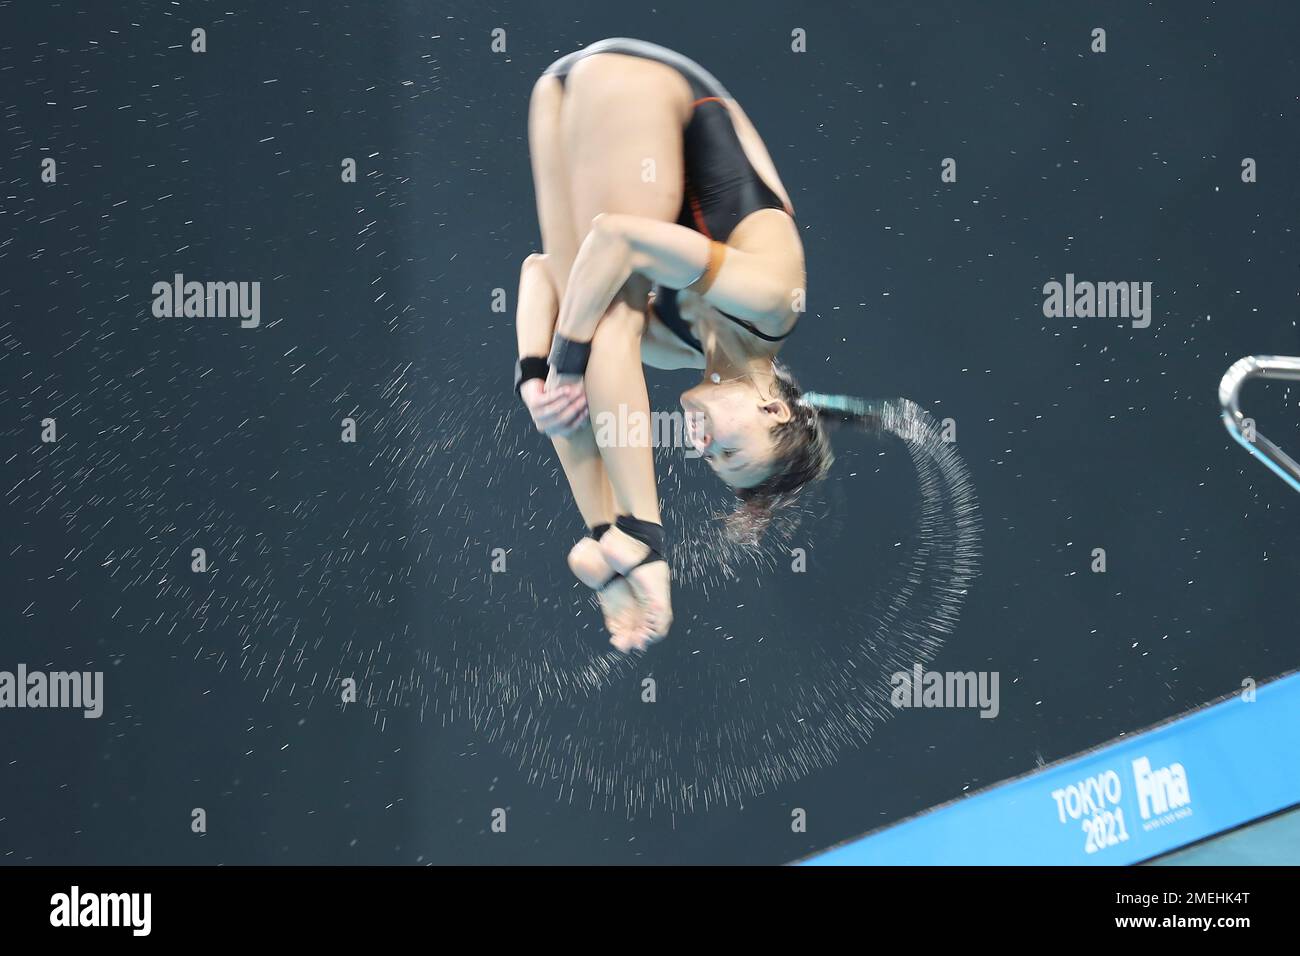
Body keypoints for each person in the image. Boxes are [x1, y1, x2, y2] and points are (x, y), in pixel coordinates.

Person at [514, 39, 832, 651]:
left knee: (600, 324)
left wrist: (537, 375)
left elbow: (538, 277)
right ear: (774, 408)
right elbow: (614, 239)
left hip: (555, 95)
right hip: (643, 82)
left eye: (711, 460)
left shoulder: (669, 347)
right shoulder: (772, 298)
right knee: (603, 319)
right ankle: (640, 536)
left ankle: (607, 530)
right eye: (730, 452)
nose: (701, 447)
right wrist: (566, 360)